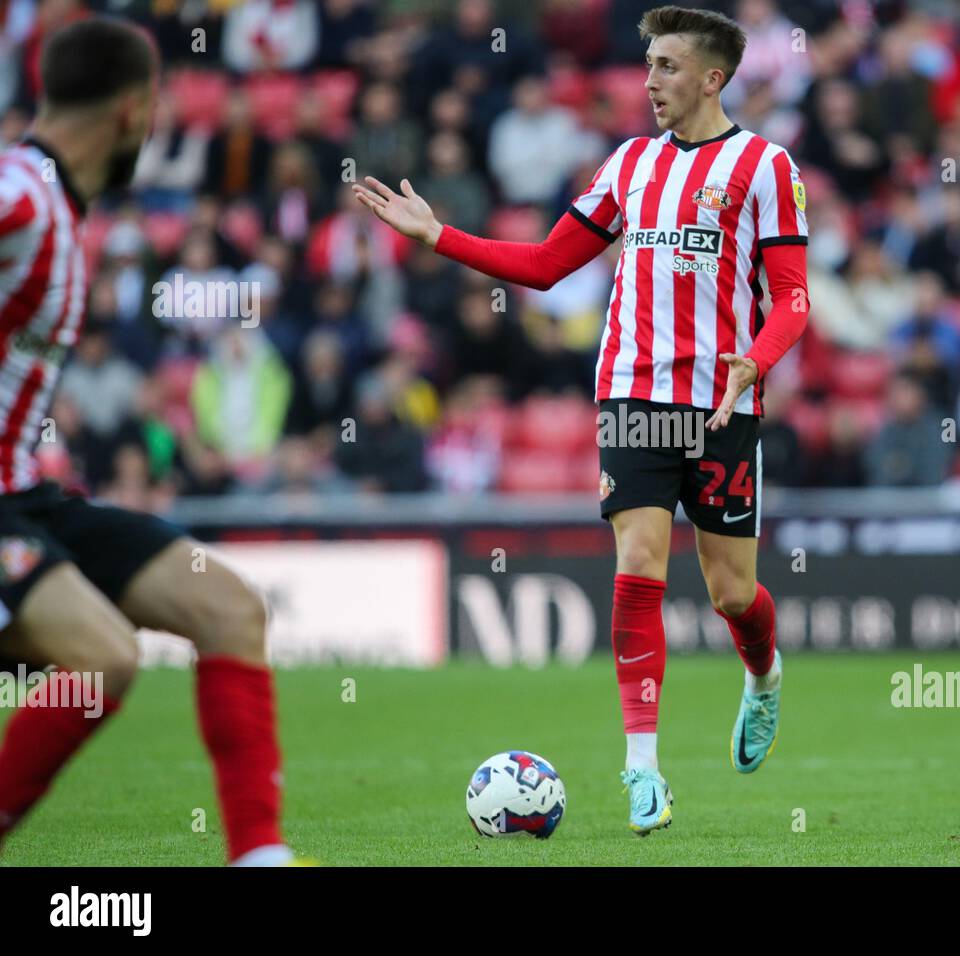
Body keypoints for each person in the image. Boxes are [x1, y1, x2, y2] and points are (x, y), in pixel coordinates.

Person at [355, 4, 809, 835]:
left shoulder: (764, 167)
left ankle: (765, 673)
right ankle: (642, 772)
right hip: (633, 393)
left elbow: (792, 297)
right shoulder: (630, 164)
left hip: (721, 404)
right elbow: (544, 265)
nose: (650, 81)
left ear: (713, 77)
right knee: (638, 560)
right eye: (647, 66)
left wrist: (760, 357)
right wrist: (439, 235)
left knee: (731, 592)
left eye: (668, 66)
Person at [0, 18, 302, 867]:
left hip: (25, 494)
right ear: (134, 111)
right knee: (103, 658)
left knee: (228, 609)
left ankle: (259, 859)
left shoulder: (58, 203)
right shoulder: (23, 193)